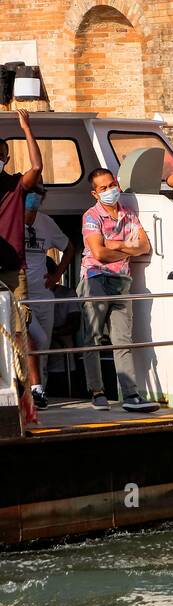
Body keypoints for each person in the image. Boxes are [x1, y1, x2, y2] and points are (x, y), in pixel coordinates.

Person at [80, 168, 158, 413]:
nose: (109, 191)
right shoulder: (91, 216)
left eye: (111, 185)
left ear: (118, 185)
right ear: (95, 193)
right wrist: (127, 246)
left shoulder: (130, 214)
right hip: (96, 278)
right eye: (103, 188)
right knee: (93, 338)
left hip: (122, 280)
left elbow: (144, 247)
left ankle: (131, 394)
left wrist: (115, 244)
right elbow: (98, 253)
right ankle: (97, 391)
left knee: (123, 339)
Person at [0, 110, 43, 424]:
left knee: (20, 328)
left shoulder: (16, 186)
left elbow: (37, 167)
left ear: (5, 156)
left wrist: (26, 128)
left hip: (13, 268)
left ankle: (30, 392)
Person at [23, 183, 73, 409]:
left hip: (44, 294)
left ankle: (41, 395)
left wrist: (56, 277)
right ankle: (31, 390)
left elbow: (69, 248)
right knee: (36, 341)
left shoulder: (46, 222)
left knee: (44, 347)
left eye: (37, 196)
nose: (34, 200)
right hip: (20, 295)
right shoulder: (9, 219)